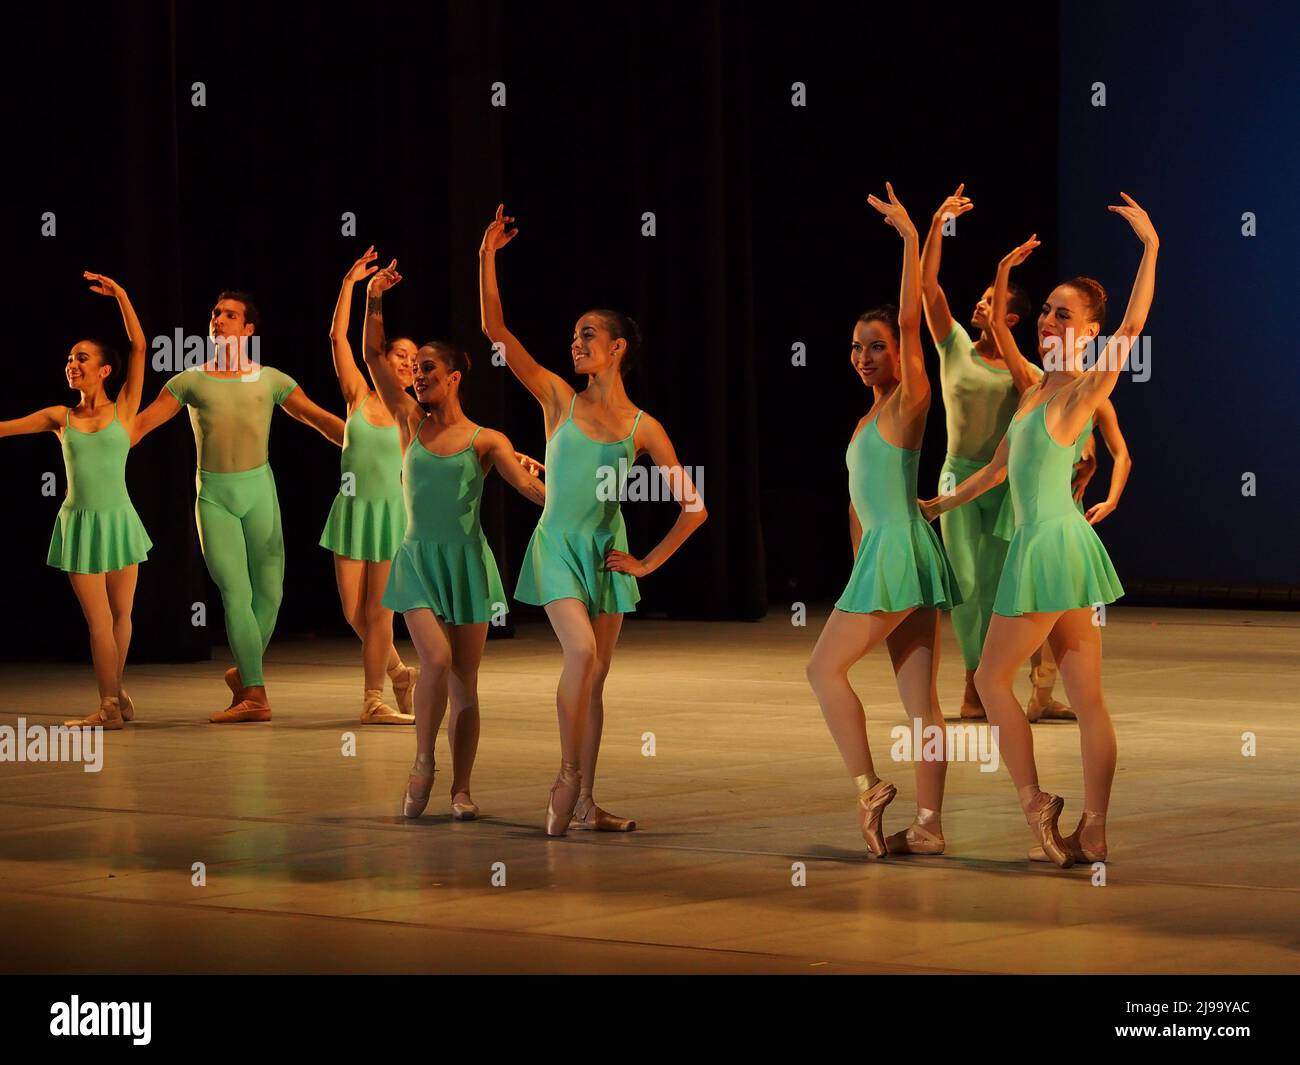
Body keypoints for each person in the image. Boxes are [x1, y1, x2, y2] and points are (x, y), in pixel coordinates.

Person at [921, 194, 1159, 866]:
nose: (1050, 320)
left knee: (994, 680)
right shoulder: (1032, 390)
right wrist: (940, 506)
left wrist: (1151, 247)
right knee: (1087, 700)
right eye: (1047, 311)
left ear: (1087, 331)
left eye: (1064, 314)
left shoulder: (1085, 388)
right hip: (1059, 549)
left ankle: (1035, 803)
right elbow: (998, 468)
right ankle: (1095, 829)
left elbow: (1136, 320)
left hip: (1048, 547)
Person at [478, 203, 707, 836]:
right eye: (574, 335)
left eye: (587, 335)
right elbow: (496, 331)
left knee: (597, 677)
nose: (575, 343)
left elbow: (695, 505)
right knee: (580, 653)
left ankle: (586, 802)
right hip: (557, 544)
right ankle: (566, 778)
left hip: (609, 552)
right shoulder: (557, 397)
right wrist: (487, 254)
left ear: (616, 349)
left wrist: (647, 562)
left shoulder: (644, 427)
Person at [806, 185, 962, 858]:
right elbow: (853, 505)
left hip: (900, 551)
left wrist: (910, 237)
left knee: (822, 669)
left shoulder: (909, 401)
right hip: (893, 555)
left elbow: (909, 318)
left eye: (876, 345)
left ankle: (868, 783)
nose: (866, 355)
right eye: (856, 348)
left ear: (898, 355)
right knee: (921, 700)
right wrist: (855, 570)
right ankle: (928, 823)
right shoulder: (866, 419)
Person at [362, 255, 545, 821]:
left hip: (467, 563)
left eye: (428, 369)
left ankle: (461, 788)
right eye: (414, 369)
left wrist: (566, 493)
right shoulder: (408, 423)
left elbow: (527, 489)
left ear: (455, 377)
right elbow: (372, 354)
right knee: (435, 659)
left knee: (467, 681)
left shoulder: (487, 439)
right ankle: (423, 762)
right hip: (417, 560)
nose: (417, 376)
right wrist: (372, 299)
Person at [133, 291, 344, 722]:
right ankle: (256, 694)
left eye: (230, 315)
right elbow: (140, 425)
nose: (219, 320)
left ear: (248, 329)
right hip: (214, 495)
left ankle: (246, 670)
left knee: (271, 594)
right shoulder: (189, 380)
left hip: (259, 490)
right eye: (215, 313)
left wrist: (366, 445)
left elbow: (318, 418)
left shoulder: (270, 379)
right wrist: (96, 443)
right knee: (236, 593)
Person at [1, 273, 150, 729]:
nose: (72, 364)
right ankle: (109, 706)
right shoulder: (58, 417)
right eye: (69, 358)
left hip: (120, 519)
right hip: (79, 524)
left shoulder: (123, 409)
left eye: (82, 358)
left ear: (105, 370)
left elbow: (140, 349)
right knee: (99, 620)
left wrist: (123, 296)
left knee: (122, 615)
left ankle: (115, 696)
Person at [321, 248, 421, 724]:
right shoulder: (359, 395)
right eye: (398, 354)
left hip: (389, 514)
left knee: (381, 614)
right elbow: (338, 336)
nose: (405, 361)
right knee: (352, 611)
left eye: (412, 359)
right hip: (352, 508)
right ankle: (402, 674)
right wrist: (352, 284)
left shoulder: (413, 414)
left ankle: (373, 698)